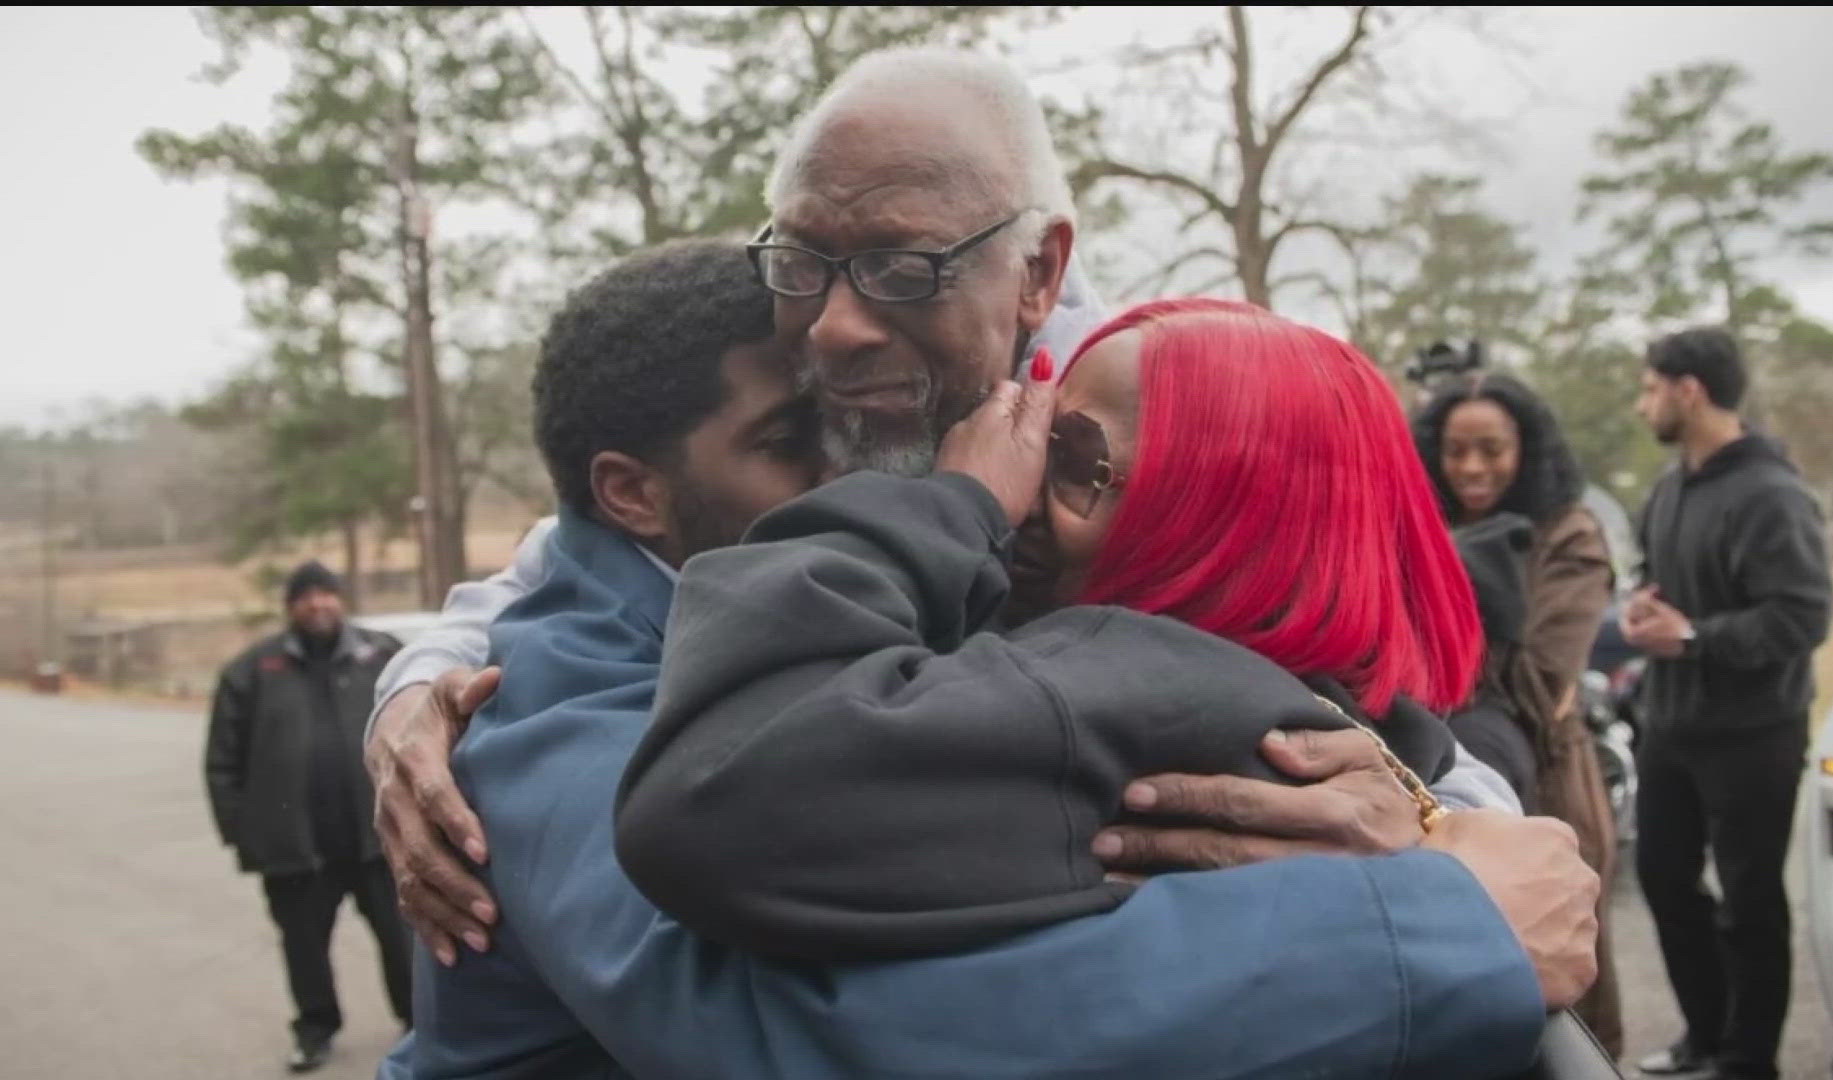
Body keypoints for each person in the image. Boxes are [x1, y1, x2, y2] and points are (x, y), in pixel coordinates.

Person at [362, 45, 1529, 969]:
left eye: (903, 269)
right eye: (801, 261)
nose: (835, 327)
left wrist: (1452, 838)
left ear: (1039, 274)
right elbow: (589, 554)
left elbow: (1340, 635)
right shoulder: (822, 378)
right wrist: (415, 689)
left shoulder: (1127, 407)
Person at [387, 244, 1588, 1079]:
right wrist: (1432, 926)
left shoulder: (958, 612)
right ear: (632, 494)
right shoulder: (536, 711)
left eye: (870, 410)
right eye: (795, 437)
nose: (865, 463)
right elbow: (804, 1034)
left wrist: (1441, 812)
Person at [616, 298, 1520, 960]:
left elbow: (709, 792)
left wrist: (950, 504)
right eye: (1034, 439)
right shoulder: (1349, 731)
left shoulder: (1126, 686)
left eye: (1074, 455)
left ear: (1218, 510)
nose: (1021, 493)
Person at [1625, 328, 1833, 1080]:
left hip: (1755, 734)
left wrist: (1693, 637)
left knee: (1750, 903)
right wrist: (1644, 607)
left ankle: (1750, 1062)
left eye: (1651, 388)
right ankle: (1707, 1037)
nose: (1643, 403)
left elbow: (1804, 617)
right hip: (1670, 726)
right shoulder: (1670, 487)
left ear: (1690, 391)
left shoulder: (1772, 493)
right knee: (1662, 877)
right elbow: (1658, 575)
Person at [1413, 372, 1623, 1057]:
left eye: (1492, 449)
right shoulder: (1427, 526)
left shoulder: (1568, 534)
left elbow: (1541, 676)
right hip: (1438, 774)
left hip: (1547, 773)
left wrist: (1434, 637)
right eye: (1456, 451)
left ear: (1526, 449)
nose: (1473, 467)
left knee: (1567, 973)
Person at [204, 561, 412, 1072]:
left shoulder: (381, 655)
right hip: (296, 849)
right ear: (290, 606)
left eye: (327, 593)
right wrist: (243, 835)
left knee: (406, 942)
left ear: (341, 599)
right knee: (303, 950)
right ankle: (315, 1030)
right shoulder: (252, 670)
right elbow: (222, 763)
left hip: (378, 839)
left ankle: (421, 1025)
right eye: (306, 596)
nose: (318, 603)